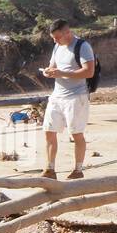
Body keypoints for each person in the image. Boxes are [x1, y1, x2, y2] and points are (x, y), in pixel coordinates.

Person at [40, 19, 96, 180]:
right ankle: (50, 169)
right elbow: (53, 66)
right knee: (49, 131)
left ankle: (78, 170)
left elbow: (89, 72)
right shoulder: (57, 46)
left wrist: (62, 73)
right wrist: (48, 72)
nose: (55, 40)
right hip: (57, 95)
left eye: (58, 37)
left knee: (76, 133)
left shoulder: (82, 46)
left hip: (76, 96)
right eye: (53, 38)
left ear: (67, 32)